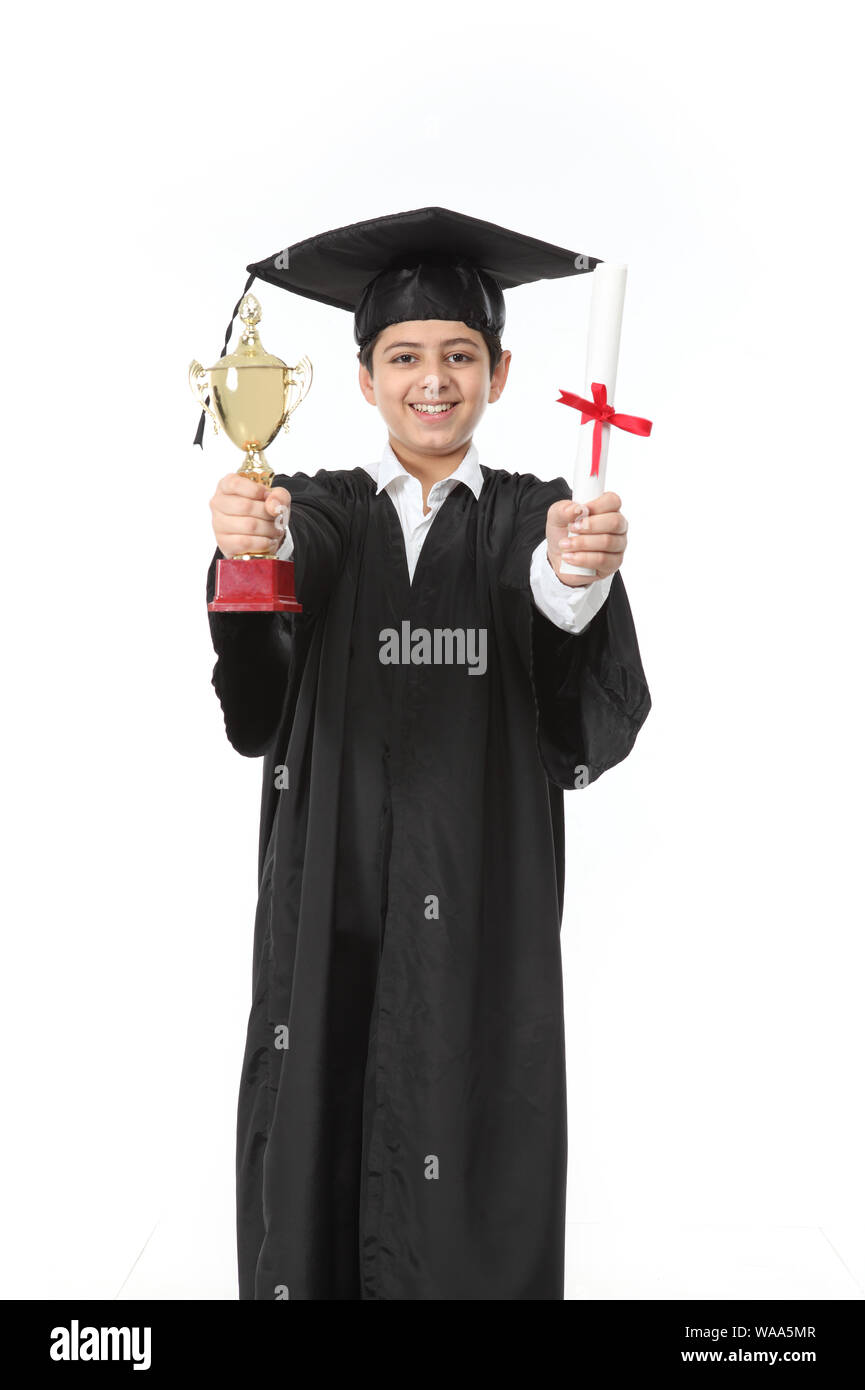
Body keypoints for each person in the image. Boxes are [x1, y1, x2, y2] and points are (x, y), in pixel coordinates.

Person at [204, 208, 652, 1300]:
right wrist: (245, 547)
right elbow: (268, 634)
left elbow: (557, 617)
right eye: (404, 357)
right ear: (363, 378)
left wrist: (575, 577)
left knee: (470, 1098)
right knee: (323, 1096)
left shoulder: (529, 518)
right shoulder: (323, 510)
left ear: (498, 371)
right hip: (333, 895)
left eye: (458, 355)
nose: (433, 380)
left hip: (476, 902)